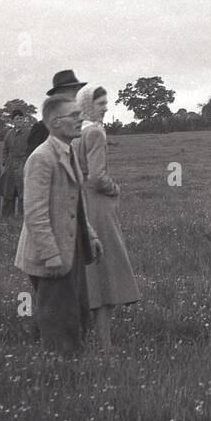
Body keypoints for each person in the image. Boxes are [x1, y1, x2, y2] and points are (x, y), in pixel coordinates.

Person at [14, 95, 102, 354]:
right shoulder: (41, 158)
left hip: (71, 244)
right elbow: (35, 212)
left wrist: (92, 236)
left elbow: (75, 202)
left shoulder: (68, 150)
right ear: (54, 123)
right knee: (60, 316)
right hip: (51, 251)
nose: (81, 119)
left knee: (76, 308)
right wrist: (50, 254)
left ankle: (57, 358)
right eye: (74, 116)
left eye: (80, 114)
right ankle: (61, 371)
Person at [74, 85, 139, 349]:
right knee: (105, 271)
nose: (106, 108)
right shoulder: (96, 132)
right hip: (98, 205)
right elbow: (98, 176)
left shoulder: (75, 132)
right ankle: (105, 342)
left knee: (86, 270)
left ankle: (80, 335)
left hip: (79, 202)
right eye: (101, 104)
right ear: (89, 105)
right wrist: (115, 189)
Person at [24, 69, 86, 153]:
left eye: (77, 92)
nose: (76, 98)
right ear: (59, 95)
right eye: (73, 92)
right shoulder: (41, 128)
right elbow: (34, 160)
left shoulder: (79, 127)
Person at [0, 109, 32, 218]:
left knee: (23, 190)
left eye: (21, 118)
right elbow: (5, 149)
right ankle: (8, 215)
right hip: (10, 164)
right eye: (17, 119)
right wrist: (4, 161)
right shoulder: (9, 134)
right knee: (9, 190)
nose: (19, 121)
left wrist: (28, 161)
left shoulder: (28, 132)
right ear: (13, 121)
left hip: (23, 162)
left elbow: (32, 148)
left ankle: (23, 214)